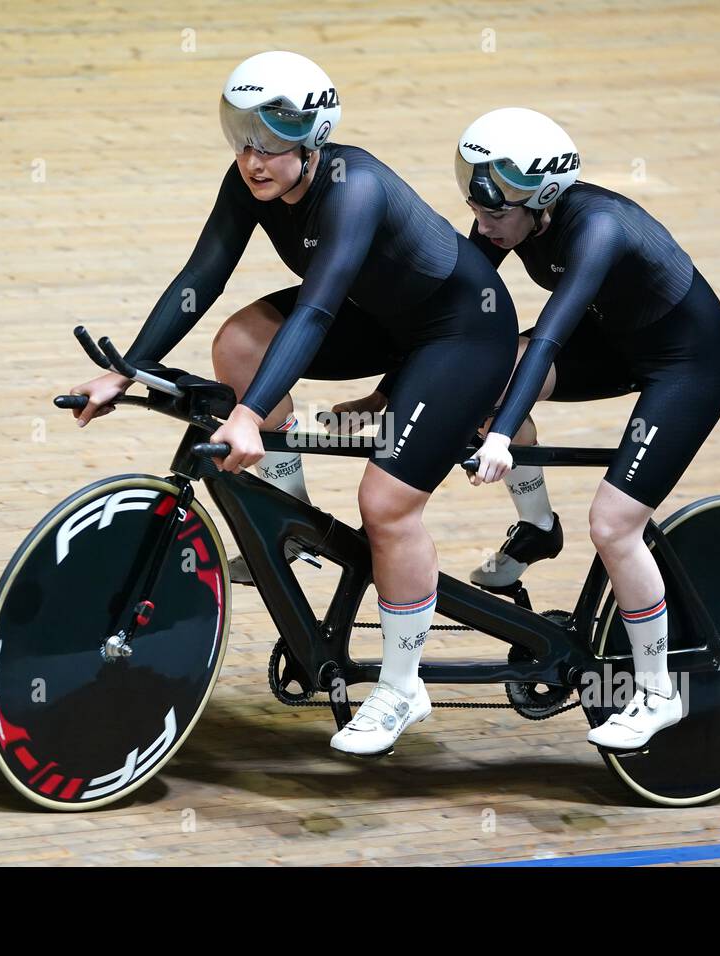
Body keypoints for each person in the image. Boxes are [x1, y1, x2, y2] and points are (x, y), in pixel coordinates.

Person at [68, 52, 519, 756]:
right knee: (241, 344)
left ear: (314, 136)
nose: (253, 158)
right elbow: (201, 276)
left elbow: (313, 313)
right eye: (242, 136)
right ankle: (294, 527)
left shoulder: (354, 187)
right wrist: (128, 369)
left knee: (387, 505)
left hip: (458, 334)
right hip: (378, 317)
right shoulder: (253, 177)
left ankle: (403, 687)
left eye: (271, 141)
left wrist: (250, 416)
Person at [344, 108, 720, 750]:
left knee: (614, 523)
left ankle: (659, 692)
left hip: (686, 367)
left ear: (544, 201)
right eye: (476, 206)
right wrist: (386, 394)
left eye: (497, 214)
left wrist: (500, 437)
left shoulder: (600, 230)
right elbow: (451, 314)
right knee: (489, 380)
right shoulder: (507, 220)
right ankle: (538, 524)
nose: (483, 224)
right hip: (612, 342)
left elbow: (550, 336)